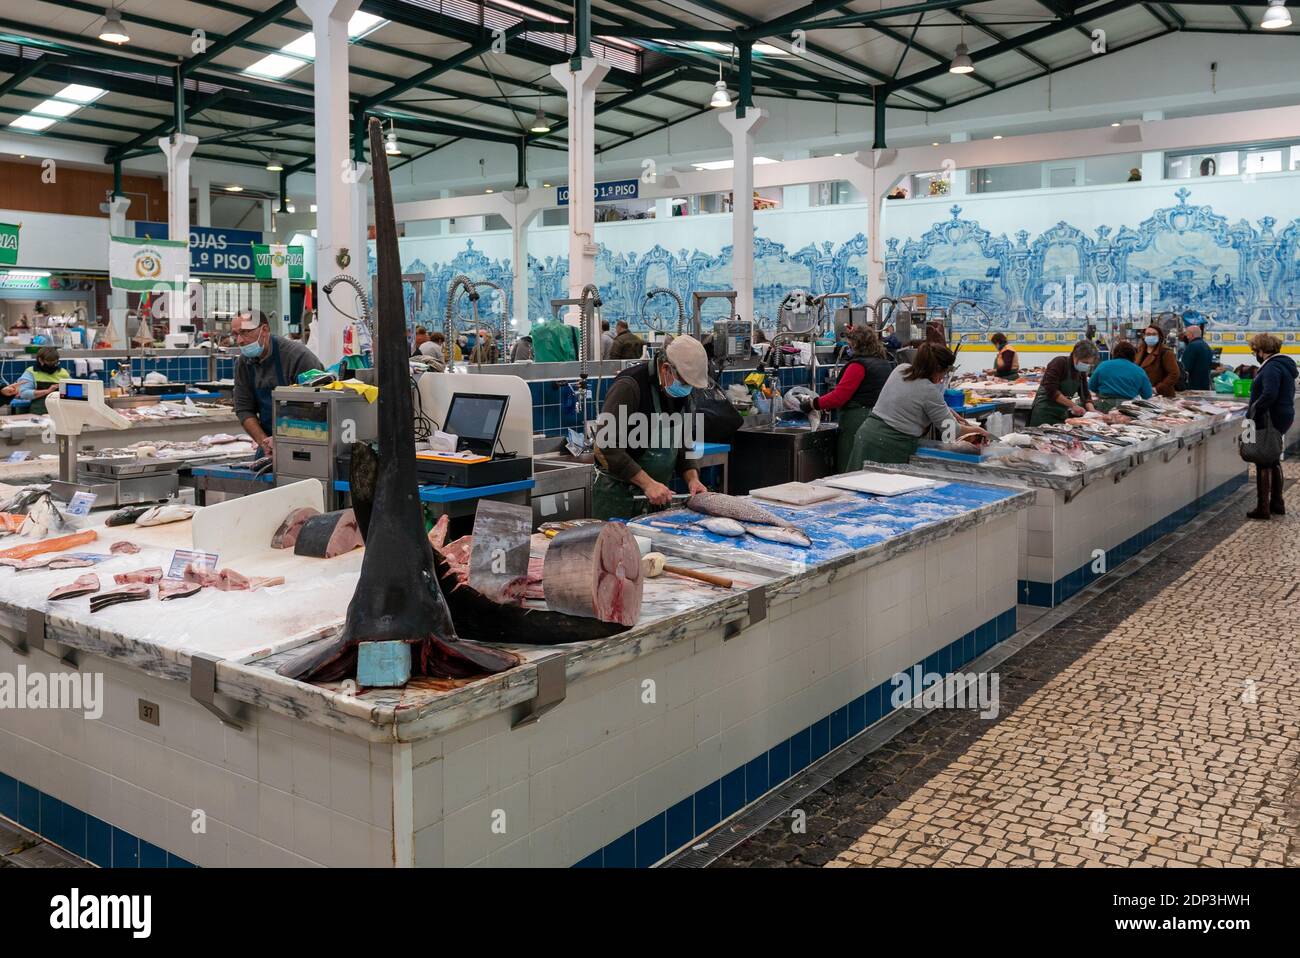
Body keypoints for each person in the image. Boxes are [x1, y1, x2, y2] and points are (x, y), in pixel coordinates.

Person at [591, 335, 711, 519]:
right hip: (619, 499)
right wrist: (647, 484)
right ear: (666, 369)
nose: (687, 390)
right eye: (685, 384)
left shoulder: (681, 394)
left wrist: (693, 479)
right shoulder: (629, 386)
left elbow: (683, 443)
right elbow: (606, 446)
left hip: (656, 500)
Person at [848, 343, 987, 468]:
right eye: (944, 373)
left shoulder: (901, 370)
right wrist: (978, 431)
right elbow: (952, 431)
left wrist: (950, 413)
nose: (942, 378)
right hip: (889, 445)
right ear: (936, 369)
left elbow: (915, 399)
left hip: (867, 434)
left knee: (858, 488)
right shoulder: (929, 390)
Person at [799, 326, 895, 473]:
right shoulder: (883, 363)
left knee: (851, 468)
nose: (848, 348)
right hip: (878, 421)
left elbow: (839, 397)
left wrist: (813, 403)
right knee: (868, 471)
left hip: (857, 422)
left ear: (857, 344)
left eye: (850, 344)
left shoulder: (858, 365)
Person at [231, 310, 322, 456]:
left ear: (265, 330)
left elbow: (317, 409)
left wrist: (284, 441)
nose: (239, 340)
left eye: (245, 332)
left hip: (304, 444)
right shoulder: (243, 363)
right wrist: (264, 442)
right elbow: (243, 409)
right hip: (268, 446)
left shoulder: (298, 357)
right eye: (235, 334)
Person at [1244, 333, 1296, 520]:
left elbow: (1269, 393)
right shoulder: (1282, 364)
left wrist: (1253, 411)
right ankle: (1276, 502)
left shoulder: (1272, 367)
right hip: (1281, 415)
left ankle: (1263, 507)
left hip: (1269, 417)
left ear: (1262, 350)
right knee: (1272, 458)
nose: (1254, 354)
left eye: (1255, 350)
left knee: (1263, 459)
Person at [1029, 340, 1099, 425]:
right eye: (1085, 362)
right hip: (1044, 412)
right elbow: (1052, 390)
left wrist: (1092, 411)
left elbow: (1085, 394)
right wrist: (1073, 405)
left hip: (1061, 413)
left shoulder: (1081, 371)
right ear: (1075, 355)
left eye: (1089, 364)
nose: (1087, 365)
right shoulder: (1059, 363)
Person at [1087, 340, 1152, 408]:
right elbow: (1147, 394)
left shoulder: (1103, 365)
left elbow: (1091, 386)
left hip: (1104, 405)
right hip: (1128, 407)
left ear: (1115, 353)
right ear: (1133, 355)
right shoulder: (1139, 370)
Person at [15, 346, 69, 414]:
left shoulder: (63, 373)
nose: (52, 365)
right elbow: (24, 393)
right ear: (40, 360)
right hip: (39, 412)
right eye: (49, 363)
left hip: (60, 411)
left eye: (55, 363)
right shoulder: (31, 372)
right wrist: (47, 391)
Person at [1135, 324, 1179, 397]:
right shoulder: (1139, 351)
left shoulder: (1166, 352)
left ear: (1159, 336)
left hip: (1161, 395)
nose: (1151, 336)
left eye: (1154, 334)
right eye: (1148, 334)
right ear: (1144, 336)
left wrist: (1158, 388)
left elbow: (1174, 374)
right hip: (1142, 393)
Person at [1181, 323, 1214, 391]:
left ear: (1191, 334)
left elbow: (1185, 368)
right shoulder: (1206, 346)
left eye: (1187, 334)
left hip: (1193, 385)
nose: (1186, 337)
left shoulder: (1192, 346)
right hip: (1205, 384)